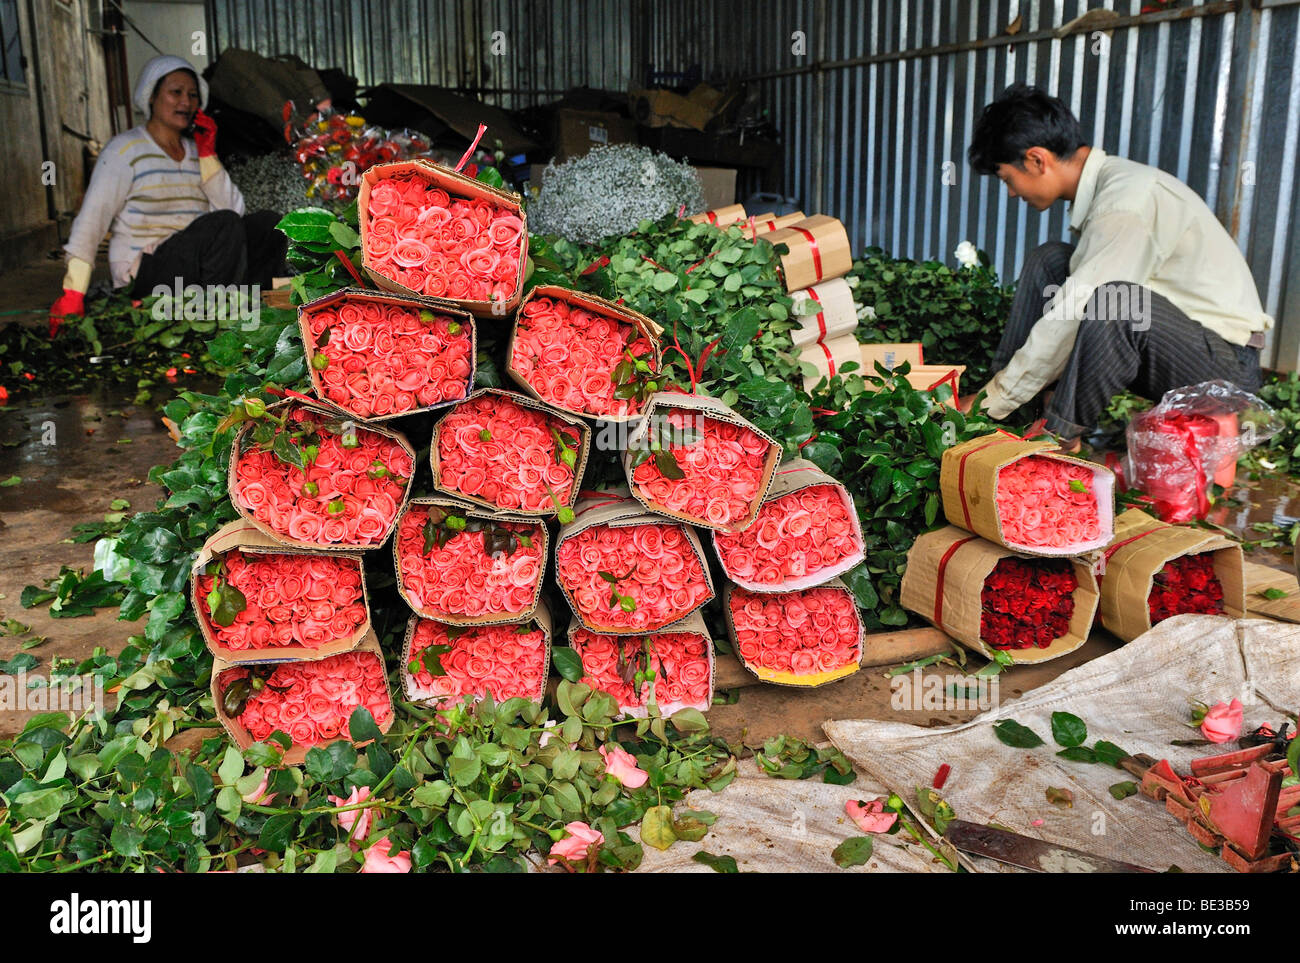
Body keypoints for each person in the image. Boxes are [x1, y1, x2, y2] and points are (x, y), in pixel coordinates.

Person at [962, 83, 1270, 445]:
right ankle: (1013, 413)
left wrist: (992, 400)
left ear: (1035, 160)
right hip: (1183, 340)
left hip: (1227, 370)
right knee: (1053, 262)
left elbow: (1079, 311)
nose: (1012, 193)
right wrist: (1003, 391)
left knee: (1116, 301)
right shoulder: (1111, 187)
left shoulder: (1125, 205)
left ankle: (1059, 437)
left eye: (1006, 179)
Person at [48, 55, 287, 335]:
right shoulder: (124, 150)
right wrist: (73, 291)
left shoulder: (198, 152)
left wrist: (208, 155)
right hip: (146, 274)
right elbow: (92, 220)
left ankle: (261, 310)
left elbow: (234, 211)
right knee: (223, 226)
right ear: (151, 96)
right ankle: (218, 324)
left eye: (192, 95)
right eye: (175, 92)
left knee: (268, 223)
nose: (185, 102)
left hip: (195, 265)